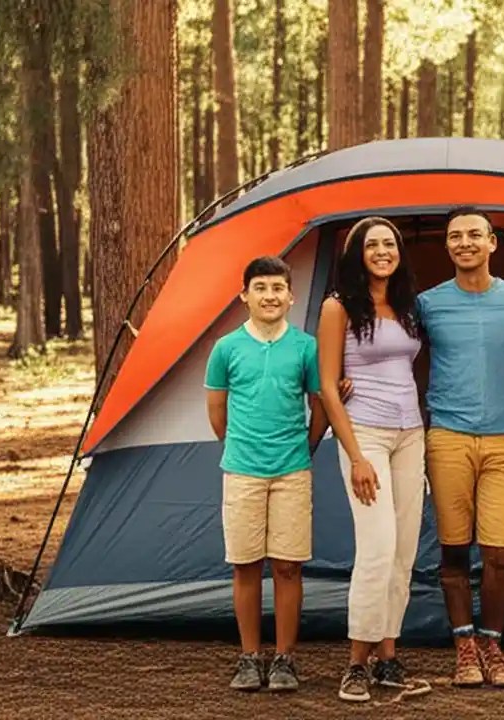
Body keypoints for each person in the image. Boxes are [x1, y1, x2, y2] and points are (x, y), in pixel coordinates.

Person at [417, 206, 504, 688]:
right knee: (454, 552)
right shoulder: (428, 305)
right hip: (447, 438)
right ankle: (464, 649)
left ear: (493, 243)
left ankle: (492, 645)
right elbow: (389, 351)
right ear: (448, 246)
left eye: (475, 234)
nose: (465, 243)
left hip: (503, 442)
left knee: (500, 555)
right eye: (456, 236)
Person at [205, 255, 329, 693]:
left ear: (291, 297)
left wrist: (306, 448)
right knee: (245, 565)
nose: (270, 296)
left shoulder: (306, 347)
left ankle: (284, 659)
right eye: (260, 288)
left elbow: (320, 407)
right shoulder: (226, 349)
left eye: (278, 288)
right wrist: (240, 448)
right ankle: (248, 657)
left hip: (293, 470)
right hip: (241, 471)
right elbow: (217, 413)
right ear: (245, 296)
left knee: (289, 566)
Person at [317, 217, 428, 703]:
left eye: (390, 244)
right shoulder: (337, 307)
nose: (382, 251)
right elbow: (327, 385)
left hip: (411, 434)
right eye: (372, 245)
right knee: (377, 549)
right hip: (366, 435)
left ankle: (388, 657)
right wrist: (355, 455)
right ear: (357, 254)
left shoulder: (406, 306)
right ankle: (356, 665)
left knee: (403, 553)